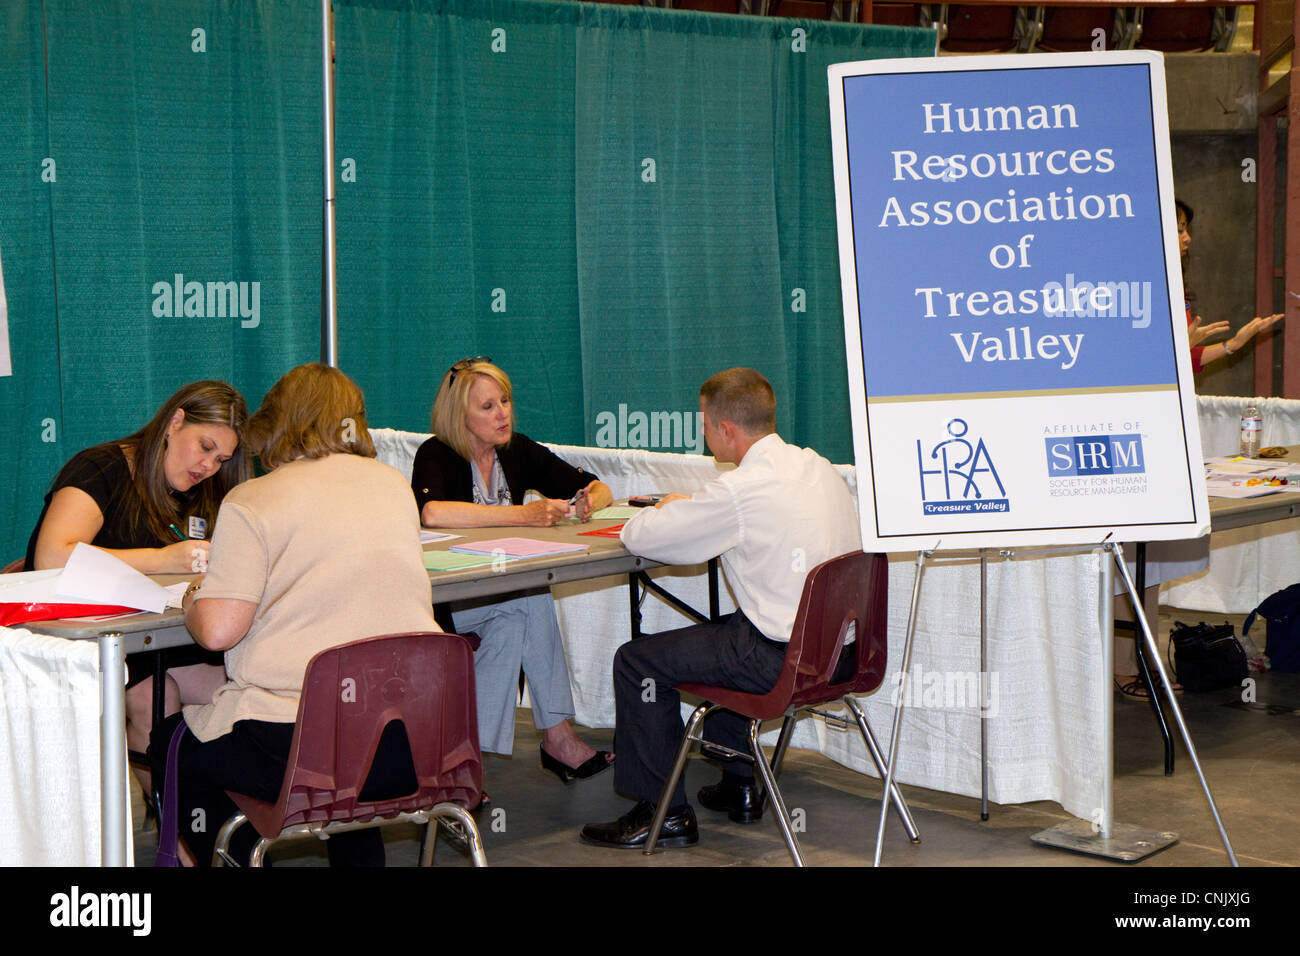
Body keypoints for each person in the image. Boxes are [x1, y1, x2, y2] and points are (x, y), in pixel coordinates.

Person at [150, 363, 440, 866]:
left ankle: (231, 856)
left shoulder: (253, 501)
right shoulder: (394, 486)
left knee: (170, 744)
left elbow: (218, 631)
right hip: (405, 745)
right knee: (348, 748)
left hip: (297, 750)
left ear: (278, 421)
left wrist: (194, 596)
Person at [581, 368, 861, 850]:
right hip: (844, 654)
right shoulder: (818, 466)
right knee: (730, 633)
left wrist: (666, 509)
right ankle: (741, 786)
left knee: (637, 662)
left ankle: (662, 813)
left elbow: (644, 537)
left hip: (782, 660)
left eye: (705, 424)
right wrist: (695, 508)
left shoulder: (739, 489)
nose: (704, 433)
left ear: (725, 429)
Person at [25, 380, 250, 775]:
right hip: (83, 645)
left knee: (248, 687)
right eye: (205, 447)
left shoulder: (204, 488)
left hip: (157, 642)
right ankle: (178, 836)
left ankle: (216, 821)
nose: (209, 467)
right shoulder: (101, 469)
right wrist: (163, 559)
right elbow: (52, 556)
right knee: (155, 704)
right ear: (175, 422)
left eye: (221, 459)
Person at [410, 358, 614, 780]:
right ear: (459, 415)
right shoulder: (437, 452)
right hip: (448, 597)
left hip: (500, 594)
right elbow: (432, 513)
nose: (502, 413)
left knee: (515, 616)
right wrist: (523, 517)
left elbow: (597, 484)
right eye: (487, 407)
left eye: (504, 401)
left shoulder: (516, 449)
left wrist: (589, 500)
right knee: (530, 598)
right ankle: (555, 738)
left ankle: (465, 766)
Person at [1177, 199, 1282, 376]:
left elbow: (1188, 357)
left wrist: (1233, 344)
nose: (1188, 238)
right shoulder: (1143, 286)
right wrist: (1181, 346)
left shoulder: (1178, 283)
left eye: (1186, 229)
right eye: (1180, 230)